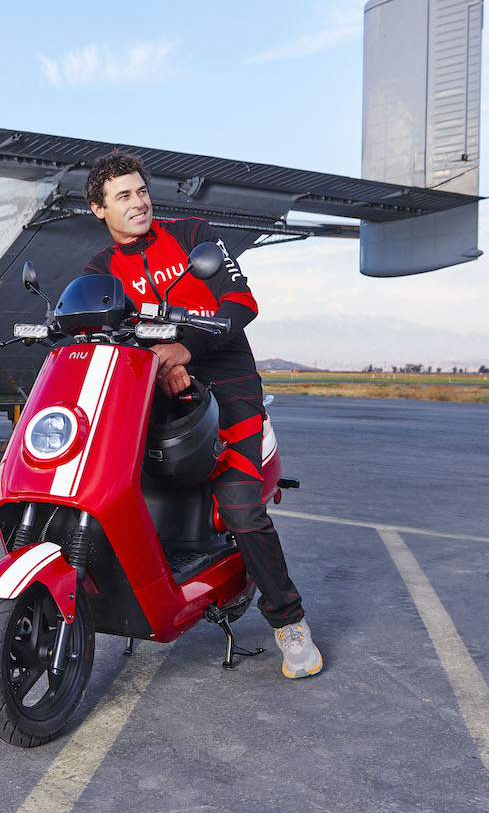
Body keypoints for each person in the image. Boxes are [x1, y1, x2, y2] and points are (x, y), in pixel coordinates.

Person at [83, 151, 322, 679]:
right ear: (99, 209)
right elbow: (90, 329)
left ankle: (290, 622)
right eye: (123, 195)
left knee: (240, 506)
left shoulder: (191, 235)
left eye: (142, 190)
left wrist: (185, 348)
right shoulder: (101, 269)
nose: (139, 202)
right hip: (152, 391)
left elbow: (241, 304)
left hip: (228, 383)